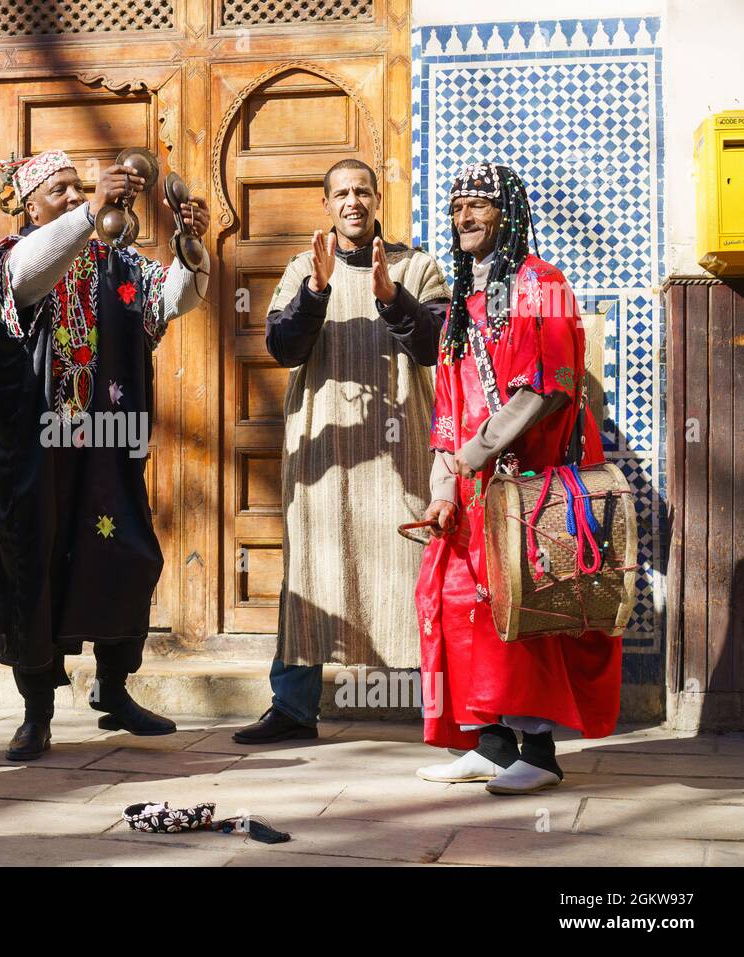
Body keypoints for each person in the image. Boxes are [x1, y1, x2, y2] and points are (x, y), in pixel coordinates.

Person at [0, 149, 210, 760]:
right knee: (37, 564)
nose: (76, 198)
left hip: (107, 440)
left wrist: (190, 244)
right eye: (60, 190)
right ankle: (37, 712)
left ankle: (114, 688)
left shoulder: (118, 262)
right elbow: (31, 272)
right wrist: (90, 212)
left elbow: (172, 300)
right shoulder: (11, 256)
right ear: (29, 205)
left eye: (81, 188)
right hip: (36, 451)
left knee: (120, 551)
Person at [414, 162, 618, 795]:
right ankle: (491, 741)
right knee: (457, 602)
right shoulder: (462, 305)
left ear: (508, 214)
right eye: (457, 207)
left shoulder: (542, 284)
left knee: (522, 608)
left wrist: (476, 454)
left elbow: (548, 389)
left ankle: (539, 751)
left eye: (479, 205)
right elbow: (446, 406)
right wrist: (442, 488)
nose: (465, 217)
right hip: (472, 486)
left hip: (526, 483)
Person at [233, 159, 450, 744]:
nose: (352, 202)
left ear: (377, 200)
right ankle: (294, 708)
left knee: (416, 571)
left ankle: (447, 710)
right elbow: (281, 346)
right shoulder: (304, 267)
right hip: (324, 454)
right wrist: (317, 292)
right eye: (341, 194)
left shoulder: (419, 266)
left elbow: (435, 347)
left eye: (362, 191)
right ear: (326, 205)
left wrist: (391, 297)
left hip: (400, 453)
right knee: (312, 567)